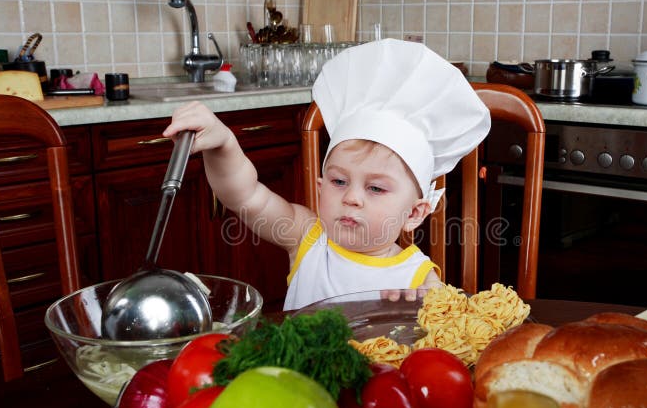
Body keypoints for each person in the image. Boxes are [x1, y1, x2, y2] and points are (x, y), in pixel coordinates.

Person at [164, 39, 490, 310]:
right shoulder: (306, 238)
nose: (351, 197)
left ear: (415, 213)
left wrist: (425, 313)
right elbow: (244, 194)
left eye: (376, 188)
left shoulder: (420, 280)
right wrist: (224, 144)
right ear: (320, 188)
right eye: (338, 181)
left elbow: (448, 337)